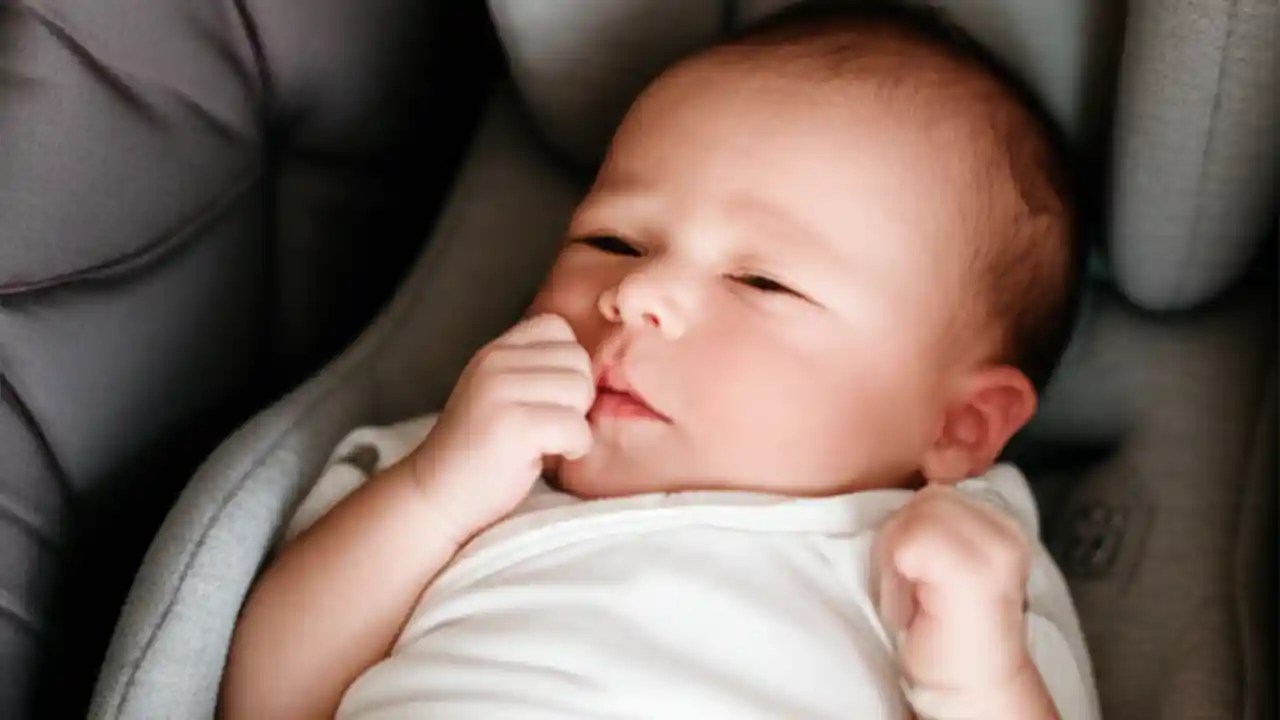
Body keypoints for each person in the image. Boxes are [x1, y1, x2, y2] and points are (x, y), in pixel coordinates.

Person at [222, 3, 1097, 718]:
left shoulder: (944, 572)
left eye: (763, 281)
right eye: (612, 239)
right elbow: (266, 697)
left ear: (958, 425)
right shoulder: (452, 473)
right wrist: (435, 493)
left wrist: (978, 684)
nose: (639, 295)